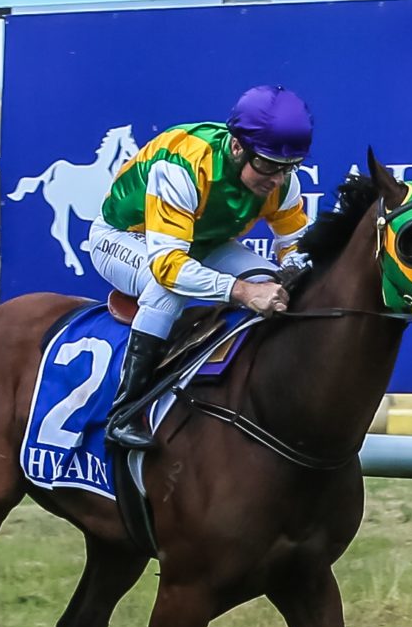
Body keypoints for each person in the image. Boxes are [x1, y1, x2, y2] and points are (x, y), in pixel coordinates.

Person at [88, 84, 314, 454]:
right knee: (168, 290)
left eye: (288, 167)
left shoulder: (283, 178)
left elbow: (294, 245)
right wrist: (243, 292)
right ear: (238, 147)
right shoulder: (183, 167)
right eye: (268, 165)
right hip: (126, 236)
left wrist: (290, 273)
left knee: (271, 283)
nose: (276, 178)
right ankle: (124, 412)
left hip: (201, 241)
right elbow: (169, 267)